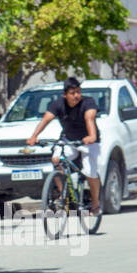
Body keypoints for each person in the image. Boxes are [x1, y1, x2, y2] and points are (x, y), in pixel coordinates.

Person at [27, 76, 102, 213]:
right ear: (65, 95)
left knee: (90, 171)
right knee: (57, 160)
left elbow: (89, 118)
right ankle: (63, 195)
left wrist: (91, 136)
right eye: (73, 93)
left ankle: (96, 202)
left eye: (78, 92)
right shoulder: (58, 104)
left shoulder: (88, 102)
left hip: (88, 142)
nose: (76, 96)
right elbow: (46, 119)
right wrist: (34, 136)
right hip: (69, 139)